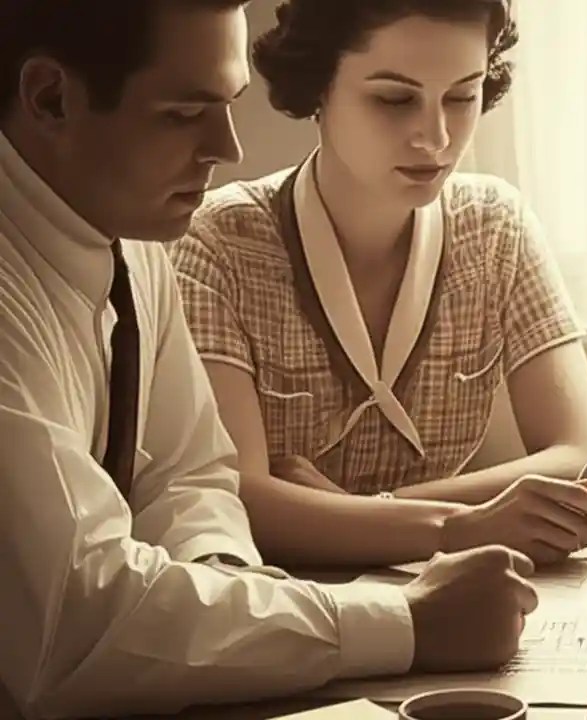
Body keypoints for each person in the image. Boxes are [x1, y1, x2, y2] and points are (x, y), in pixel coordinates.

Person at [0, 2, 536, 717]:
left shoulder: (130, 241)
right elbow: (74, 622)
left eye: (228, 106)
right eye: (184, 114)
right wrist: (405, 622)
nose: (228, 148)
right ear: (49, 98)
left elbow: (188, 479)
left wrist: (234, 605)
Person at [167, 0, 587, 569]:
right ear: (318, 87)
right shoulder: (219, 244)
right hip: (285, 602)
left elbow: (582, 452)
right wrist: (461, 525)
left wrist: (365, 510)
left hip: (451, 584)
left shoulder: (496, 228)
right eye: (394, 99)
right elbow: (238, 499)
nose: (436, 136)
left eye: (462, 96)